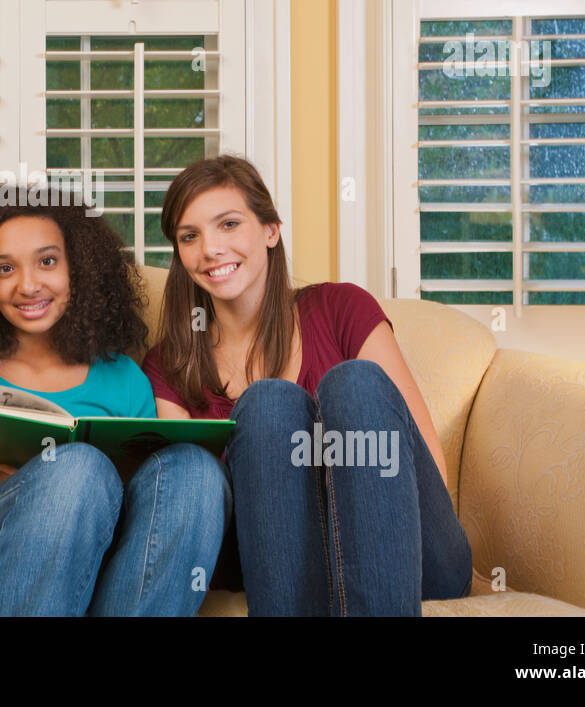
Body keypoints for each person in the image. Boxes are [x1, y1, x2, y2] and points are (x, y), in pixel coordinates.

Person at [143, 154, 472, 616]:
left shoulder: (342, 308)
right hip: (280, 566)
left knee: (354, 383)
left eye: (229, 224)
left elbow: (427, 467)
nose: (210, 249)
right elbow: (190, 504)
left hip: (414, 553)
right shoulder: (169, 364)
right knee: (266, 406)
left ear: (271, 231)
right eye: (189, 236)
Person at [0, 184, 229, 616]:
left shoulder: (124, 379)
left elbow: (150, 502)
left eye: (47, 261)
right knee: (75, 463)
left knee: (196, 469)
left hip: (94, 554)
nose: (29, 285)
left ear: (80, 270)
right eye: (4, 269)